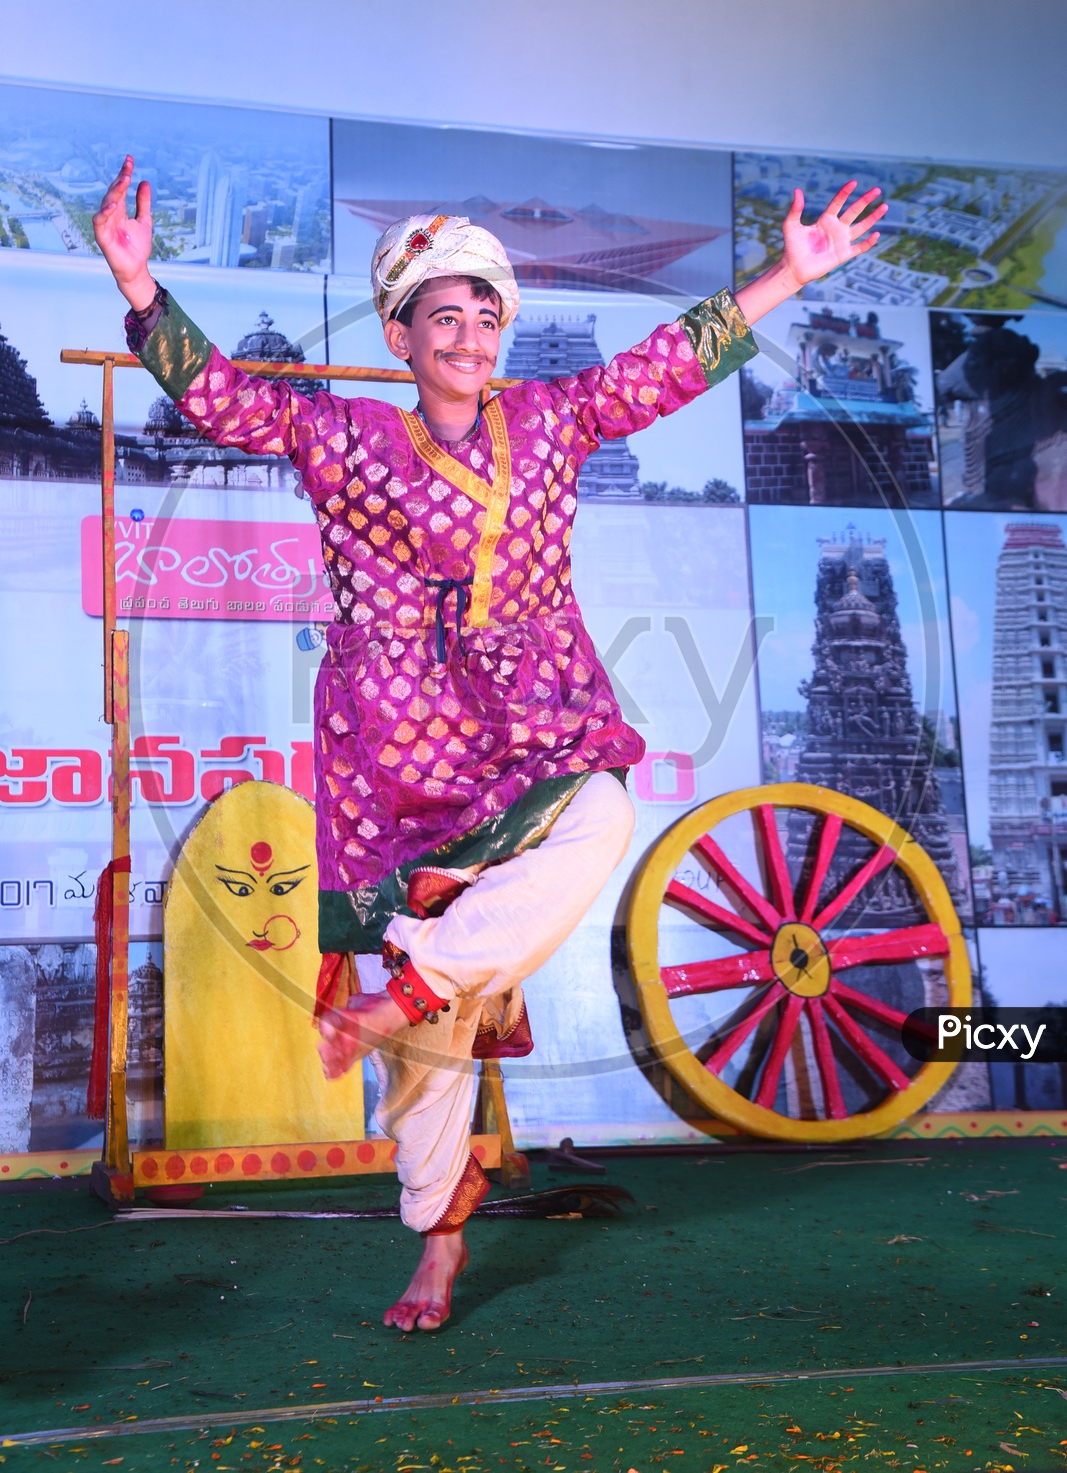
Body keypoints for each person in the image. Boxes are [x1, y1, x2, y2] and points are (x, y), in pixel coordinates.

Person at [93, 155, 884, 1331]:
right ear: (401, 335)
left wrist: (783, 275)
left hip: (529, 724)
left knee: (605, 816)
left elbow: (659, 369)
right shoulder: (344, 435)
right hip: (394, 753)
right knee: (429, 1045)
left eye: (485, 316)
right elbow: (225, 400)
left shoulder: (552, 420)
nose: (469, 337)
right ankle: (436, 1237)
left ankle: (409, 983)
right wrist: (137, 280)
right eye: (443, 317)